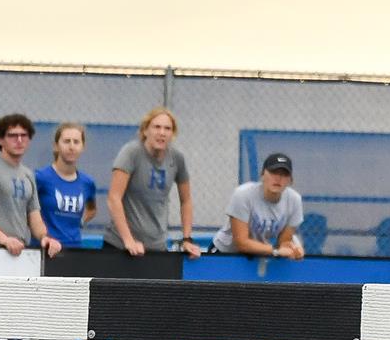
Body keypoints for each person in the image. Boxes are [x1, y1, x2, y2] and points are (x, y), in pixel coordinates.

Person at [105, 107, 200, 259]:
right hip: (120, 246)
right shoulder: (131, 152)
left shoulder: (177, 158)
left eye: (167, 129)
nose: (162, 133)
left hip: (157, 247)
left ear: (172, 134)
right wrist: (129, 241)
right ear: (145, 130)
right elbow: (113, 198)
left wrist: (187, 239)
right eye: (156, 127)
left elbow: (186, 201)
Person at [0, 114, 61, 257]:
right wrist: (4, 239)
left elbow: (34, 216)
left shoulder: (28, 174)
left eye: (24, 135)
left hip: (20, 251)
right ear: (0, 140)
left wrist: (45, 238)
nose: (19, 140)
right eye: (12, 136)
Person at [212, 153, 306, 259]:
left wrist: (293, 249)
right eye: (273, 172)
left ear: (290, 180)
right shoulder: (243, 194)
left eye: (284, 174)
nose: (278, 178)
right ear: (262, 175)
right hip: (225, 254)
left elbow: (284, 241)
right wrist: (275, 251)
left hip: (258, 255)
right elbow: (241, 243)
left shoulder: (294, 200)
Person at [35, 122, 98, 250]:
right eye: (66, 141)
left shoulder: (87, 182)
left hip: (75, 250)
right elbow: (27, 209)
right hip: (45, 249)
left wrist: (80, 222)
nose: (71, 146)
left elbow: (91, 209)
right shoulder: (40, 177)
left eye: (76, 142)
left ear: (83, 147)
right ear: (56, 146)